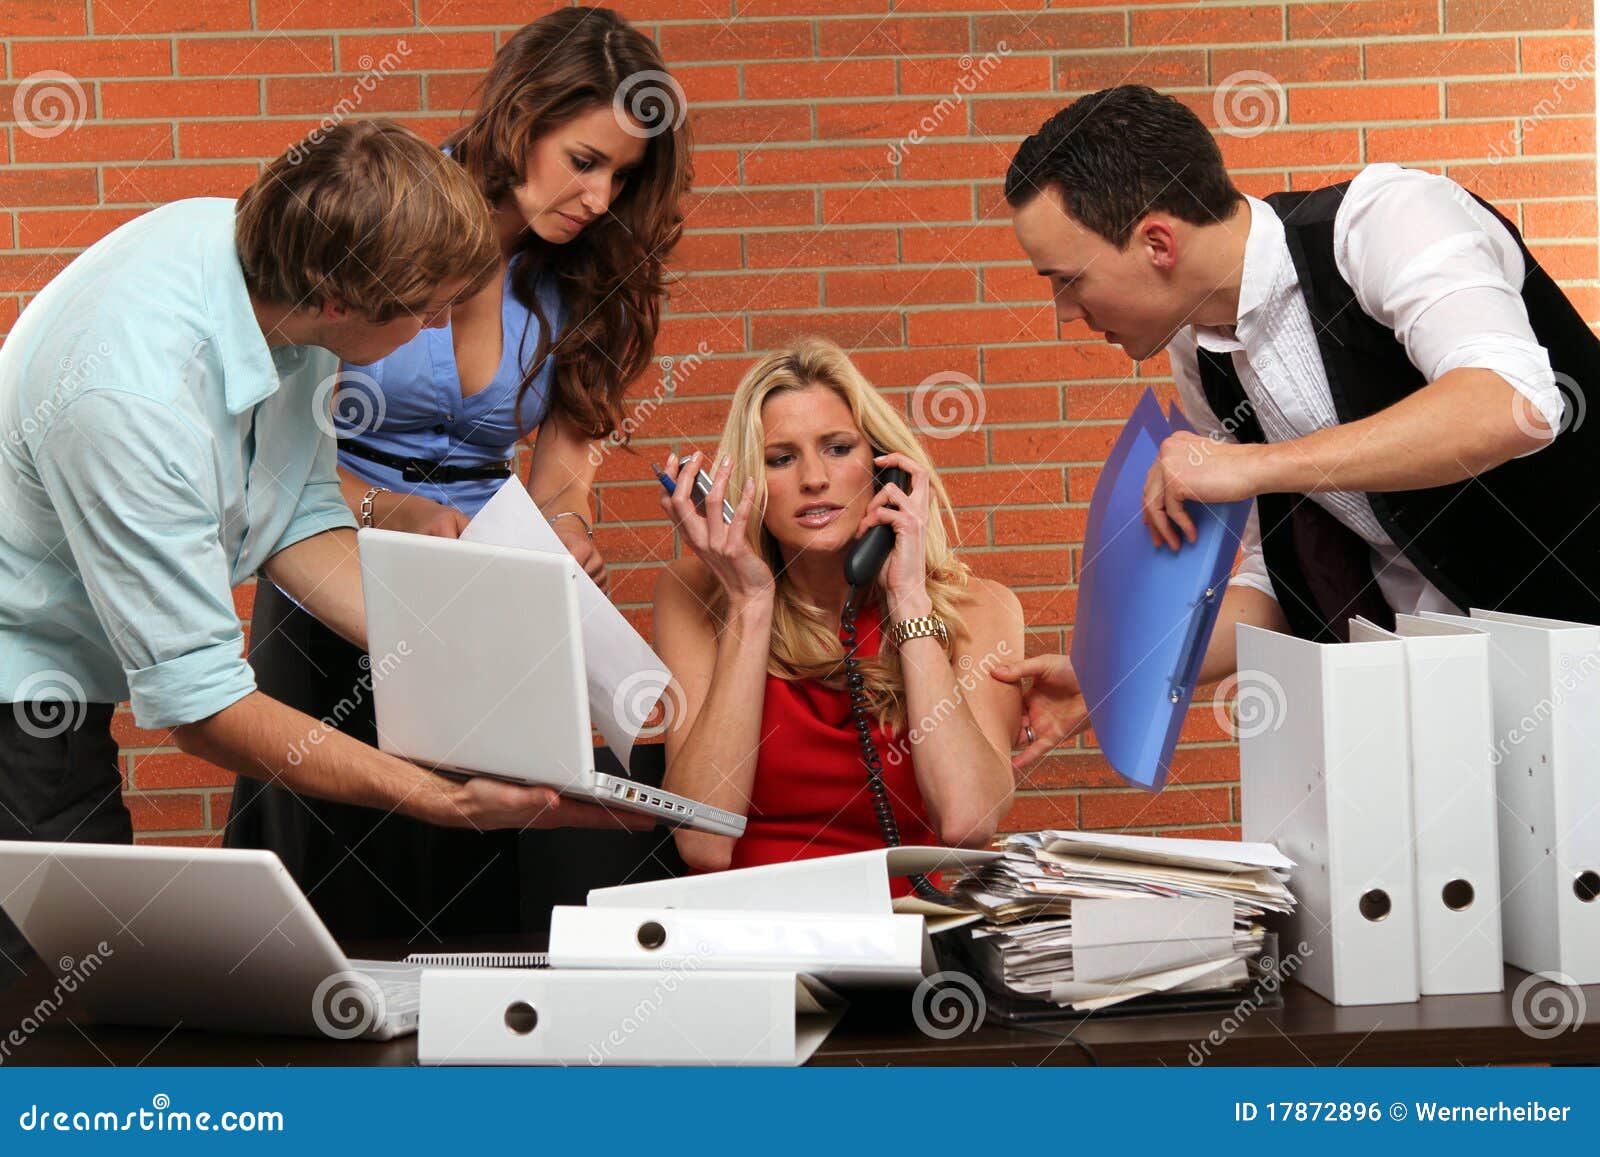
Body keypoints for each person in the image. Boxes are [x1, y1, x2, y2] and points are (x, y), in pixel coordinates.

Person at [0, 119, 633, 981]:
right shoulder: (132, 398)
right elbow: (205, 707)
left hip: (59, 662)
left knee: (76, 953)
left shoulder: (280, 283)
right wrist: (440, 799)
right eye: (422, 309)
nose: (441, 325)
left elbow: (295, 516)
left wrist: (467, 660)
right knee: (48, 977)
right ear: (341, 301)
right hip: (18, 671)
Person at [224, 7, 693, 940]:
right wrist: (384, 506)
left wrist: (565, 526)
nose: (601, 198)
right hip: (331, 567)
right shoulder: (392, 218)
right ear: (522, 117)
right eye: (586, 160)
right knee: (337, 867)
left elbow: (563, 467)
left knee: (492, 849)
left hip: (492, 590)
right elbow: (271, 453)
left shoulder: (588, 273)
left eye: (623, 175)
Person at [994, 84, 1600, 769]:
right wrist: (1119, 677)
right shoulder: (1198, 352)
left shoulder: (1387, 220)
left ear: (1157, 240)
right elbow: (1278, 576)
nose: (1063, 312)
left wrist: (1257, 464)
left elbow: (1512, 403)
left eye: (1067, 279)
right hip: (1459, 699)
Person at [652, 337, 1021, 891]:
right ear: (748, 488)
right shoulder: (695, 595)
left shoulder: (980, 608)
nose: (814, 479)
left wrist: (909, 600)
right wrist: (751, 606)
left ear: (885, 471)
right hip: (751, 938)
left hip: (914, 943)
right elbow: (703, 841)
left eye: (838, 448)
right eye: (781, 459)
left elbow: (968, 823)